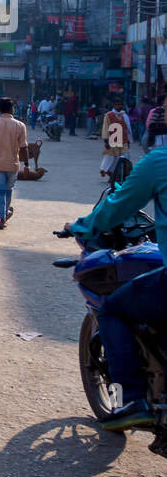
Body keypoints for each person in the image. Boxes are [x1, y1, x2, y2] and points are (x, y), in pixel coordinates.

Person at [68, 147, 167, 431]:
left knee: (112, 309)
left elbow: (118, 206)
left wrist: (82, 226)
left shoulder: (159, 161)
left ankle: (132, 400)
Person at [0, 98, 27, 230]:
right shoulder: (20, 125)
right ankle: (5, 212)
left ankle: (2, 218)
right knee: (9, 190)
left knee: (0, 192)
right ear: (12, 109)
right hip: (13, 164)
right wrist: (27, 165)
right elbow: (24, 147)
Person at [100, 99, 131, 178]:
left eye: (121, 104)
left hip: (123, 141)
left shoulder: (124, 115)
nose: (120, 106)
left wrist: (128, 141)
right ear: (113, 105)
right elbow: (105, 128)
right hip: (112, 140)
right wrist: (106, 141)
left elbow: (128, 129)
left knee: (125, 158)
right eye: (118, 104)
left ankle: (119, 175)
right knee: (110, 158)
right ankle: (111, 174)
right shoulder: (109, 115)